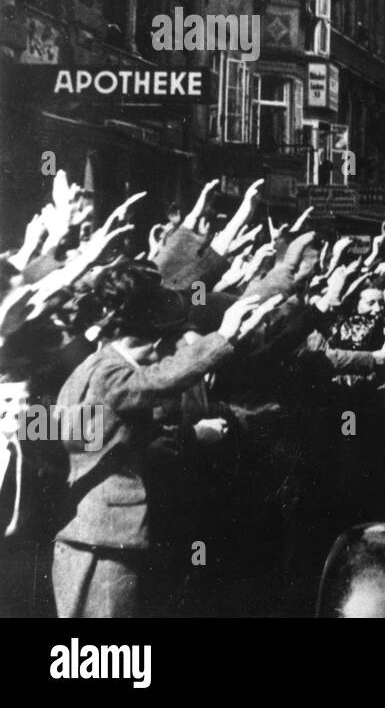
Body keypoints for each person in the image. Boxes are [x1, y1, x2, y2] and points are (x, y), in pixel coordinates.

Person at [51, 263, 281, 617]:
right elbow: (160, 381)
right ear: (156, 341)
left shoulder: (90, 368)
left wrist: (144, 448)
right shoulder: (113, 374)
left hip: (89, 534)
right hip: (104, 541)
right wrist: (225, 335)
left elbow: (89, 441)